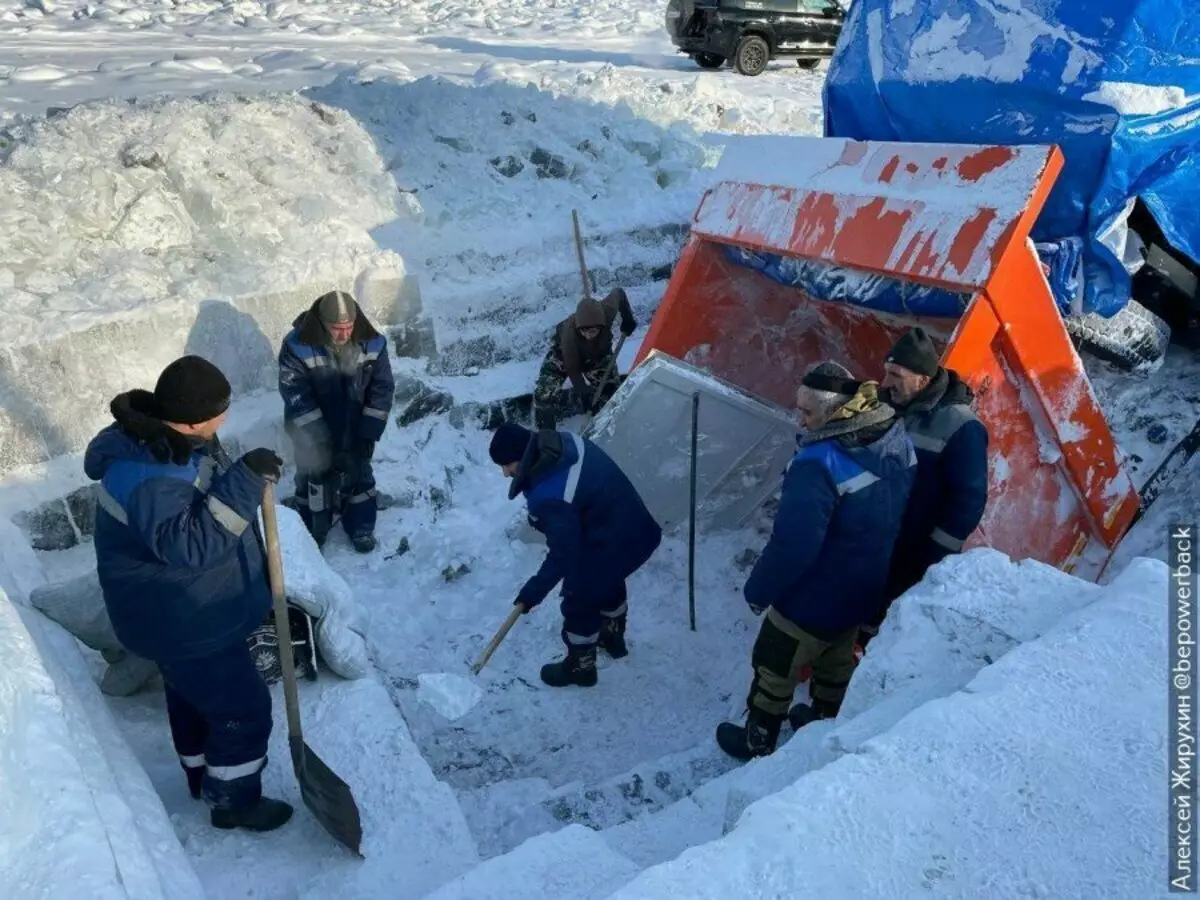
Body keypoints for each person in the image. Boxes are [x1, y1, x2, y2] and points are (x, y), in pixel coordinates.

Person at [84, 355, 293, 832]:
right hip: (182, 617)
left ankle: (202, 774)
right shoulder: (149, 475)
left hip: (180, 608)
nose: (226, 417)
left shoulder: (167, 443)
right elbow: (191, 546)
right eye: (222, 409)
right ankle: (232, 800)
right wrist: (243, 479)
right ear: (198, 417)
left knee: (192, 696)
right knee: (243, 708)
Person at [716, 362, 917, 761]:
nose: (800, 419)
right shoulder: (894, 438)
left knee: (775, 663)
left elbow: (794, 544)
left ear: (831, 411)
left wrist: (759, 590)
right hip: (865, 585)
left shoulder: (819, 463)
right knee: (837, 658)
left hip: (811, 597)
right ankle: (826, 722)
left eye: (806, 412)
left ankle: (758, 740)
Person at [489, 422, 662, 687]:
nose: (505, 473)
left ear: (523, 457)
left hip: (611, 537)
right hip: (634, 530)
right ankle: (612, 637)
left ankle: (581, 668)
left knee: (579, 596)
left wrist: (533, 592)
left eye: (507, 465)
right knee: (608, 578)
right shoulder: (567, 442)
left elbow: (563, 555)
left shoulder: (551, 496)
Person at [863, 326, 989, 645]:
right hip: (872, 540)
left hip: (912, 552)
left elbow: (968, 501)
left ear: (922, 379)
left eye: (895, 375)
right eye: (885, 372)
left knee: (882, 625)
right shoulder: (885, 409)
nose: (886, 383)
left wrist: (931, 558)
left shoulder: (962, 426)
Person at [278, 290, 394, 553]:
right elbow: (296, 395)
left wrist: (369, 433)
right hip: (311, 429)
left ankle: (361, 526)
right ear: (321, 323)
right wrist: (321, 442)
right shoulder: (296, 345)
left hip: (355, 425)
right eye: (336, 328)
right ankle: (311, 531)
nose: (344, 334)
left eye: (348, 327)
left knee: (359, 475)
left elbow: (382, 389)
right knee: (313, 477)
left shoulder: (374, 343)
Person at [532, 288, 637, 430]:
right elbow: (572, 368)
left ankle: (605, 425)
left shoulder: (608, 310)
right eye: (584, 331)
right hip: (563, 356)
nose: (588, 335)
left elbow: (619, 293)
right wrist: (583, 390)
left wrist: (627, 317)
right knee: (544, 394)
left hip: (597, 354)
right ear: (578, 327)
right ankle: (546, 433)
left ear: (601, 325)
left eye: (593, 331)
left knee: (610, 392)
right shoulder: (569, 335)